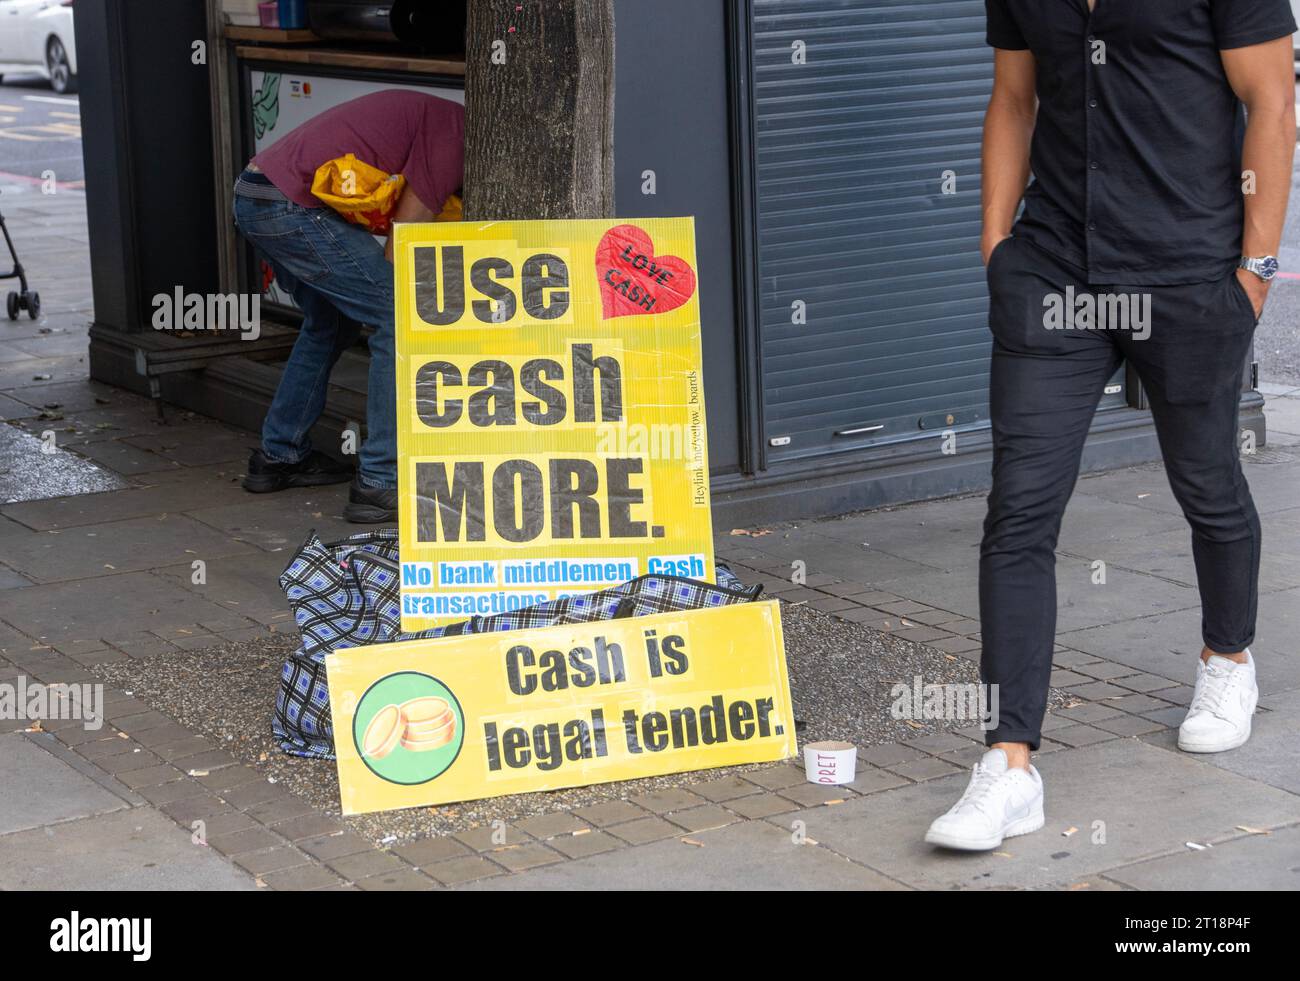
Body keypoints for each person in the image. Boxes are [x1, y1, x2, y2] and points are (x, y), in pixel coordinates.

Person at [926, 0, 1297, 852]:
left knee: (1206, 481)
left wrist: (1255, 271)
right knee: (1019, 509)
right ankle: (1009, 763)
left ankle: (1227, 659)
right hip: (1054, 270)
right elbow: (1013, 97)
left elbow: (1272, 101)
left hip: (1189, 270)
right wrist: (996, 244)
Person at [232, 89, 464, 523]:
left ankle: (280, 455)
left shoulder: (438, 117)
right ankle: (379, 480)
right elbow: (403, 242)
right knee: (399, 317)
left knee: (331, 324)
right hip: (288, 205)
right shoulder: (456, 134)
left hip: (257, 194)